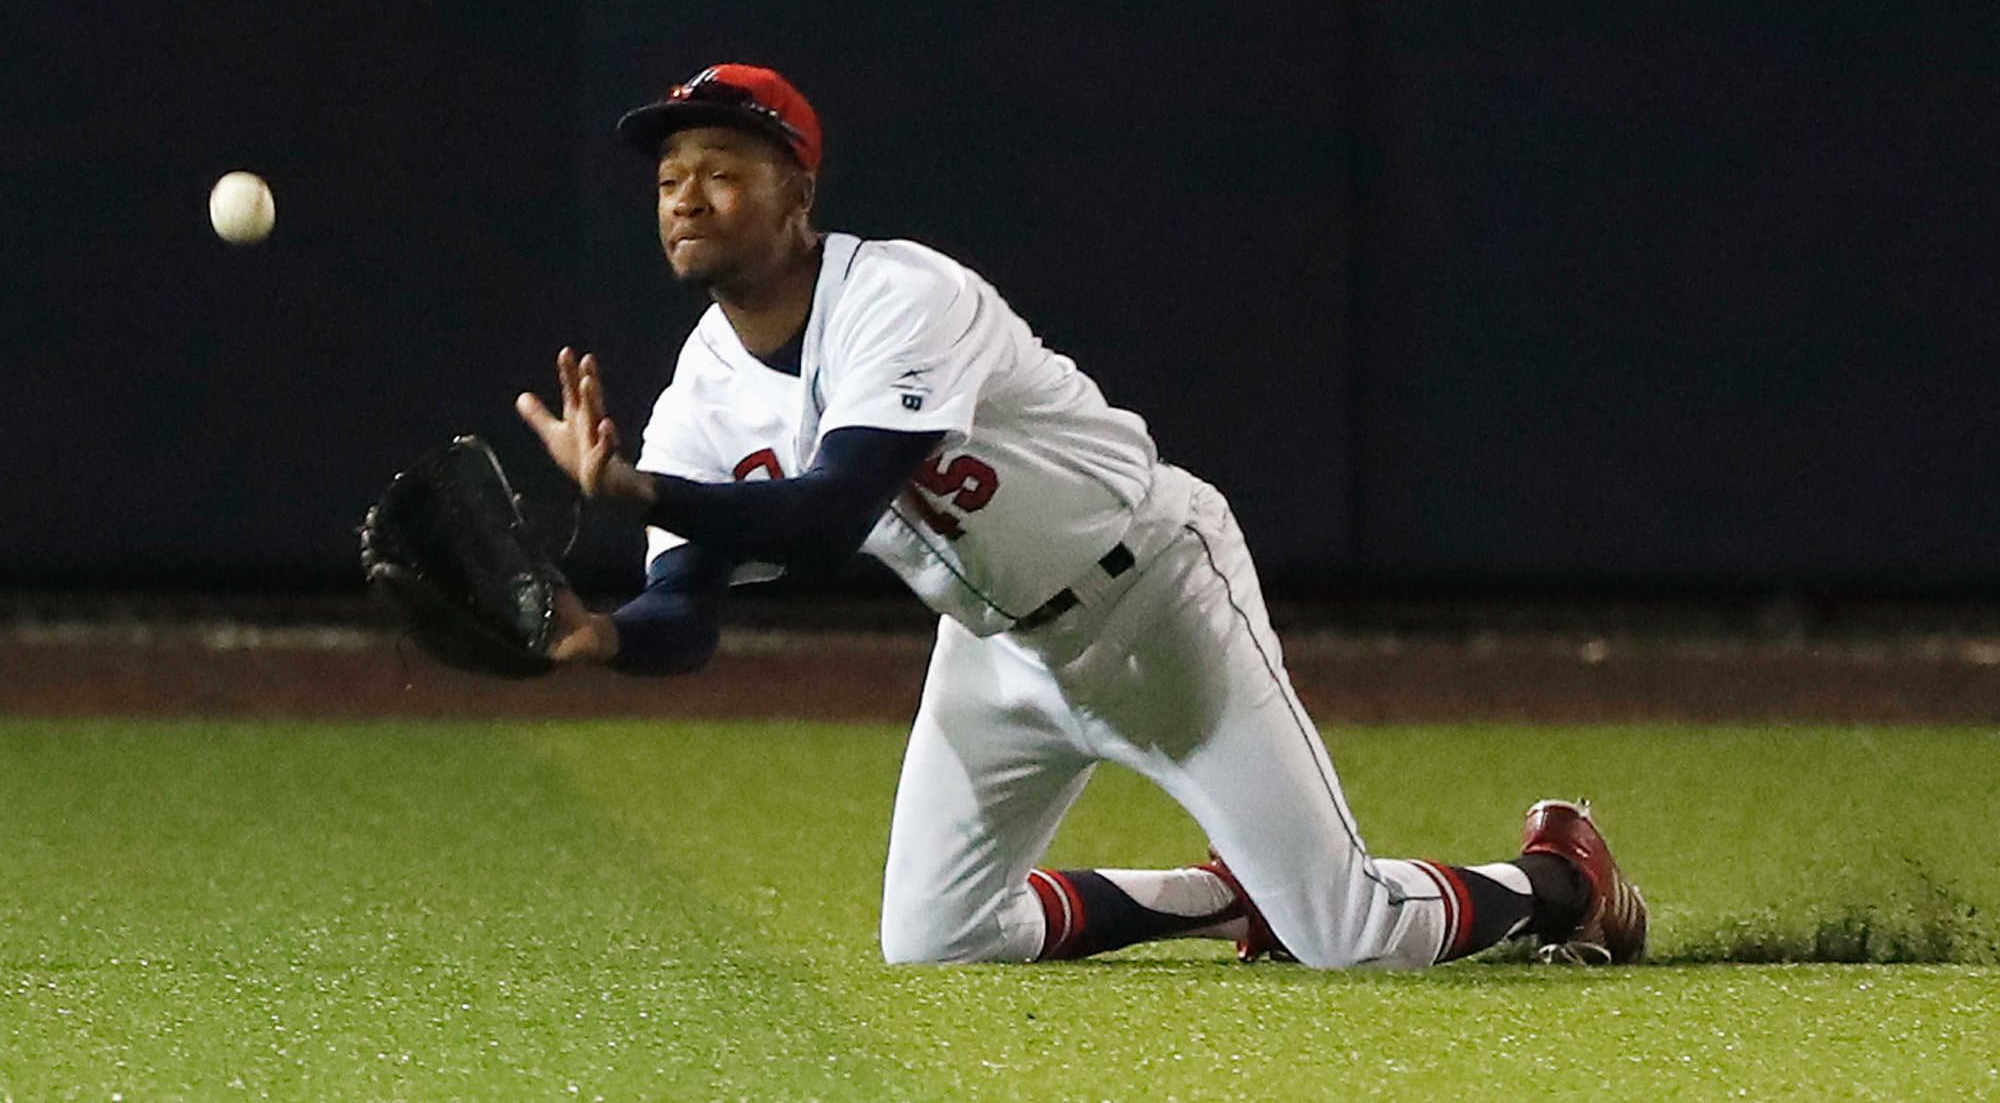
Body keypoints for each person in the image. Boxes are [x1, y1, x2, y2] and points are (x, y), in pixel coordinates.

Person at [515, 63, 1648, 968]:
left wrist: (636, 495)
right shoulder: (698, 396)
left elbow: (831, 508)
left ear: (798, 192)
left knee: (1349, 937)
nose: (684, 196)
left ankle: (1561, 879)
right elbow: (687, 609)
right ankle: (1221, 896)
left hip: (1152, 595)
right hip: (1002, 647)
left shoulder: (901, 294)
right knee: (934, 940)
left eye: (721, 167)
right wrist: (603, 636)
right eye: (668, 176)